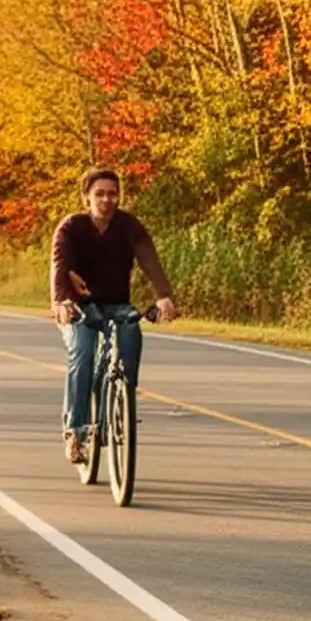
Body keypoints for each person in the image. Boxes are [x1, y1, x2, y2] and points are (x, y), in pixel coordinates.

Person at [50, 168, 178, 463]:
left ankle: (116, 418)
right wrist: (61, 301)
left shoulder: (129, 226)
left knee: (131, 340)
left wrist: (163, 296)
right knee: (82, 353)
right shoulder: (71, 227)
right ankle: (75, 432)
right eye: (100, 193)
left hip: (117, 306)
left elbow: (149, 259)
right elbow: (60, 265)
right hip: (78, 307)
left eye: (112, 193)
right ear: (86, 198)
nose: (107, 199)